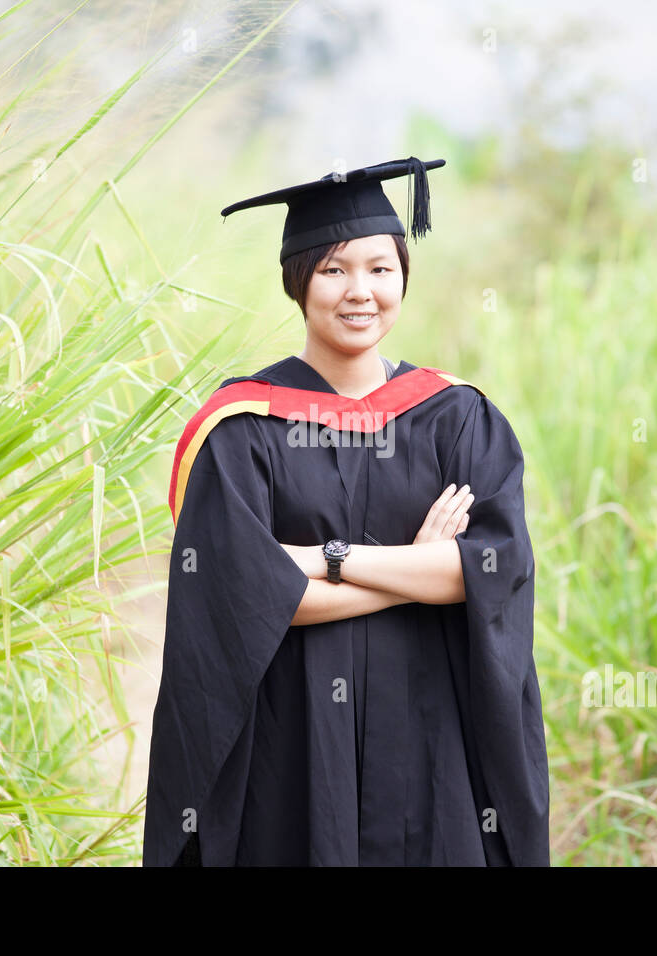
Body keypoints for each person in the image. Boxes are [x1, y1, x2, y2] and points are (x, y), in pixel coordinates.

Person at [142, 157, 549, 866]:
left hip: (430, 734)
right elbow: (244, 595)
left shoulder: (457, 417)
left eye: (380, 270)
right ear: (298, 282)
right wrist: (414, 571)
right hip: (292, 738)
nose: (360, 292)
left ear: (402, 278)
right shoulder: (243, 428)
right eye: (334, 271)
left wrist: (328, 560)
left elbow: (486, 572)